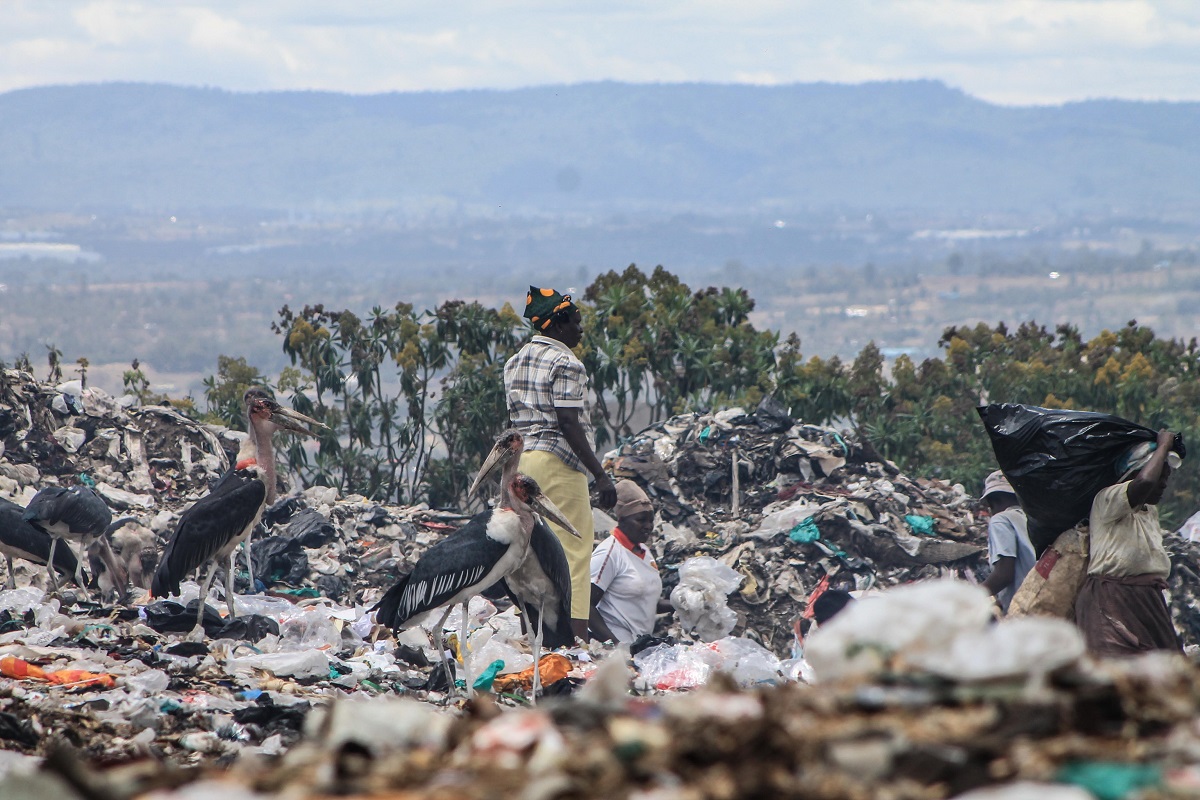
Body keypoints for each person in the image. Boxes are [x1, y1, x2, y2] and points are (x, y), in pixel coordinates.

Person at [505, 285, 617, 641]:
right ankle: (577, 641)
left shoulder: (515, 361)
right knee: (575, 549)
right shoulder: (566, 362)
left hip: (522, 466)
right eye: (577, 322)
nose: (581, 331)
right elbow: (568, 422)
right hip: (556, 463)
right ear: (558, 324)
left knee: (529, 554)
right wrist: (600, 475)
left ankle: (531, 635)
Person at [1075, 430, 1183, 657]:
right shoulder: (1108, 498)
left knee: (1169, 677)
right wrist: (1163, 446)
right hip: (1113, 601)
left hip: (1148, 603)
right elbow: (1144, 482)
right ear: (1134, 473)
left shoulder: (1149, 511)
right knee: (1122, 676)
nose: (1164, 484)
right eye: (1160, 476)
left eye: (1167, 477)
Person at [588, 480, 672, 643]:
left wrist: (680, 603)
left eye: (650, 520)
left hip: (638, 646)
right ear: (622, 520)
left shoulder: (644, 552)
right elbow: (586, 606)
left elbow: (645, 601)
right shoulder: (610, 552)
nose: (648, 526)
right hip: (617, 650)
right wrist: (617, 645)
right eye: (641, 520)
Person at [979, 470, 1035, 614]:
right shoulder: (1035, 518)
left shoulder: (1001, 520)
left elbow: (1004, 574)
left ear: (994, 502)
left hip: (1024, 609)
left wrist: (972, 597)